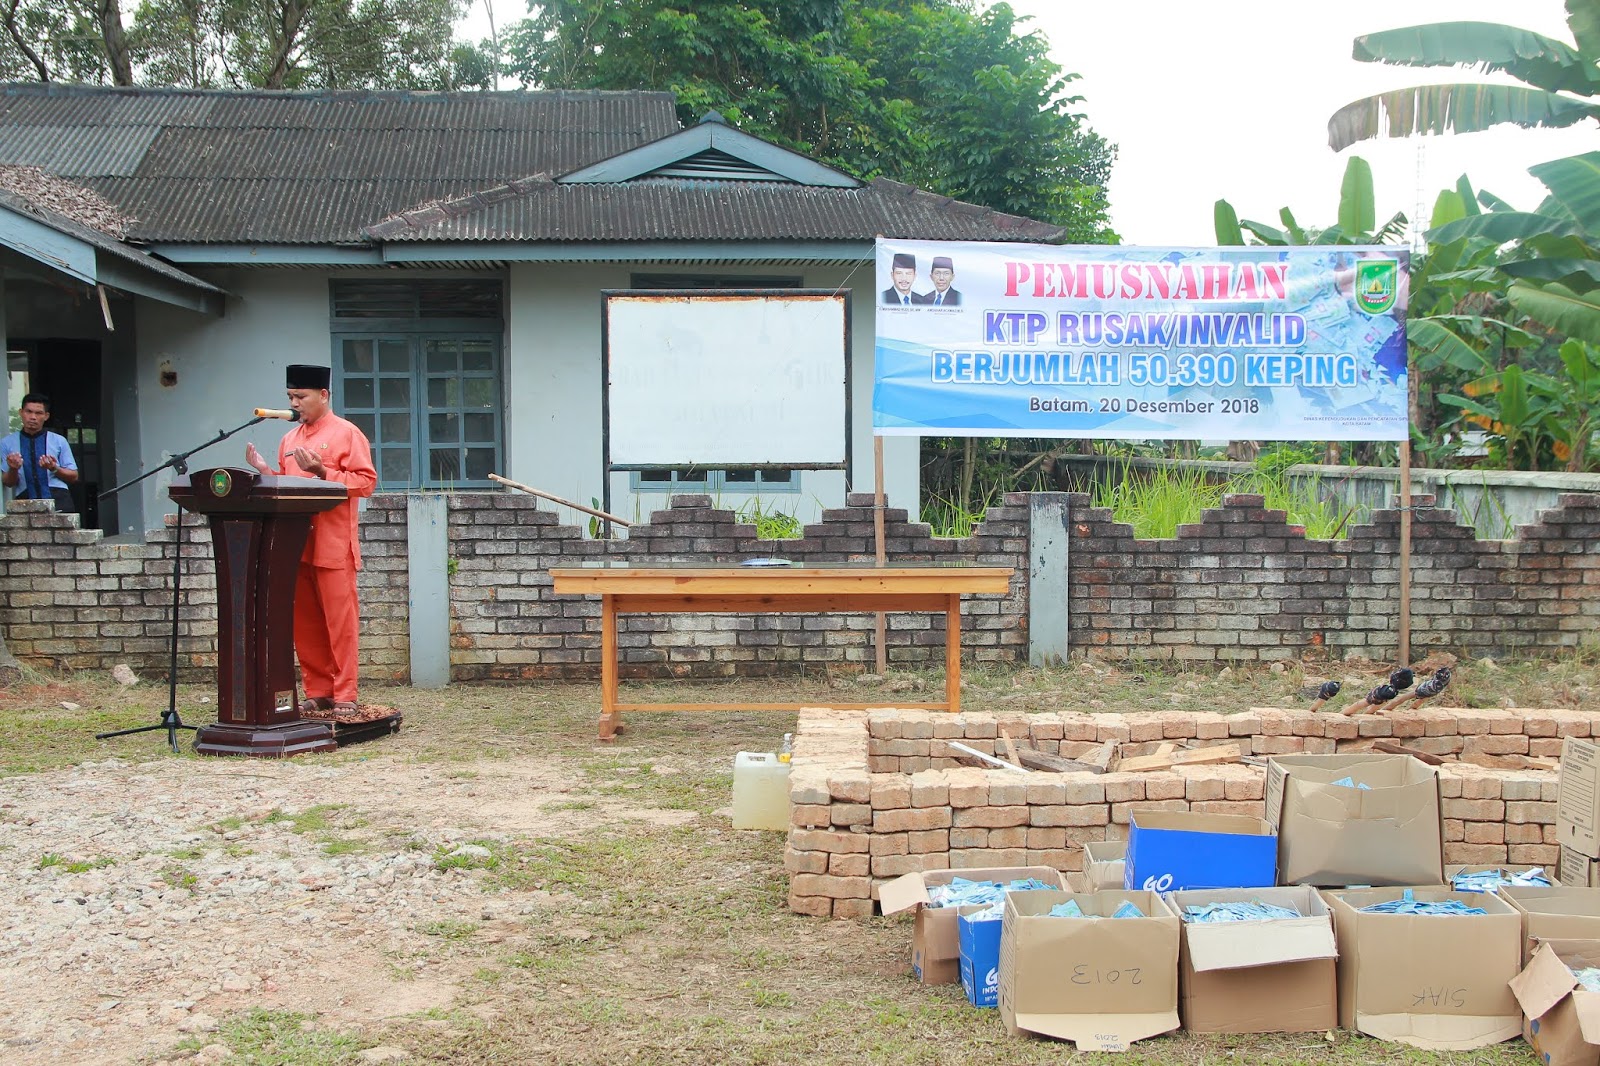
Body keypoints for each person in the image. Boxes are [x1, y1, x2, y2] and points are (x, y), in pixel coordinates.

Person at [245, 364, 376, 717]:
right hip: (296, 545)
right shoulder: (289, 440)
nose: (294, 403)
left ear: (324, 395)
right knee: (304, 625)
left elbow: (366, 483)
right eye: (290, 397)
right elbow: (286, 485)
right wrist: (266, 472)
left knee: (340, 624)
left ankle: (345, 693)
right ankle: (317, 691)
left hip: (333, 545)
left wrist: (323, 471)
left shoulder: (347, 434)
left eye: (300, 396)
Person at [2, 393, 78, 513]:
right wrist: (13, 468)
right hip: (25, 500)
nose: (33, 417)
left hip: (59, 500)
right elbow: (8, 482)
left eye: (38, 413)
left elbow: (74, 476)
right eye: (29, 412)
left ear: (46, 416)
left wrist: (54, 468)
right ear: (21, 412)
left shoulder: (59, 441)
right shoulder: (7, 443)